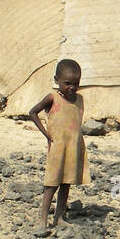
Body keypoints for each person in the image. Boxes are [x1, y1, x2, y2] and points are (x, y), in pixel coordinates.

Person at [29, 58, 88, 228]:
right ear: (57, 80)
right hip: (57, 147)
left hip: (73, 147)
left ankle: (59, 217)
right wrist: (47, 134)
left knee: (66, 183)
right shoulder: (53, 98)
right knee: (51, 184)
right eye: (67, 83)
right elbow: (33, 112)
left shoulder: (79, 99)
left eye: (76, 83)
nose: (72, 87)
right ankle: (43, 219)